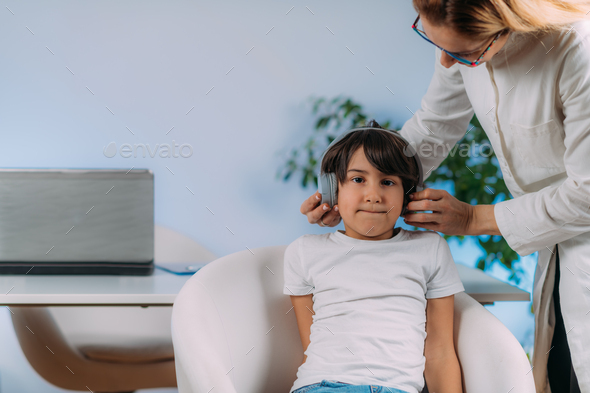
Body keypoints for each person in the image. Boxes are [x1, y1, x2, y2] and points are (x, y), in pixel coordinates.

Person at [301, 1, 590, 392]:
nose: (449, 65)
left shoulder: (577, 51)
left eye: (465, 54)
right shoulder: (459, 48)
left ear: (506, 26)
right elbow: (433, 128)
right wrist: (351, 190)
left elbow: (586, 192)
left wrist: (474, 220)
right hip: (556, 243)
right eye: (438, 45)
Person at [285, 128, 465, 393]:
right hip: (323, 386)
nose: (373, 195)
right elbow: (312, 346)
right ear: (332, 191)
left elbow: (440, 353)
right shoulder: (304, 252)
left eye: (388, 182)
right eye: (358, 179)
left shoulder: (430, 249)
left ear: (408, 194)